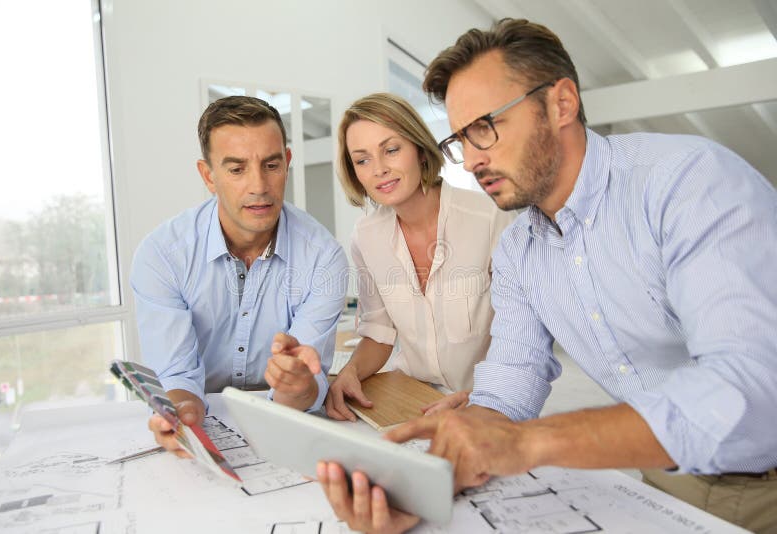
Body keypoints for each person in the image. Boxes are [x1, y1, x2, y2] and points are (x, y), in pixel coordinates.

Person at [318, 18, 777, 533]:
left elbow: (753, 390)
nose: (471, 160)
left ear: (561, 103)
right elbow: (513, 381)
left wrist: (530, 441)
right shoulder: (521, 248)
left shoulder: (688, 183)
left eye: (485, 128)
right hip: (664, 477)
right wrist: (431, 482)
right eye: (461, 139)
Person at [130, 96, 348, 456]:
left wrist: (298, 385)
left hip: (284, 427)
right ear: (208, 175)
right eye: (236, 169)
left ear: (287, 163)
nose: (259, 185)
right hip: (204, 422)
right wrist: (181, 413)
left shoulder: (324, 259)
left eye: (271, 165)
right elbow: (176, 376)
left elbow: (309, 389)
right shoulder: (162, 255)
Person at [324, 93, 515, 422]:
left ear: (418, 149)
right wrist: (351, 371)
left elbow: (521, 333)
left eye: (391, 149)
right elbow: (379, 332)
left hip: (488, 403)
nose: (380, 170)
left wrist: (485, 396)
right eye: (362, 160)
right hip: (411, 400)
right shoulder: (366, 237)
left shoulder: (489, 218)